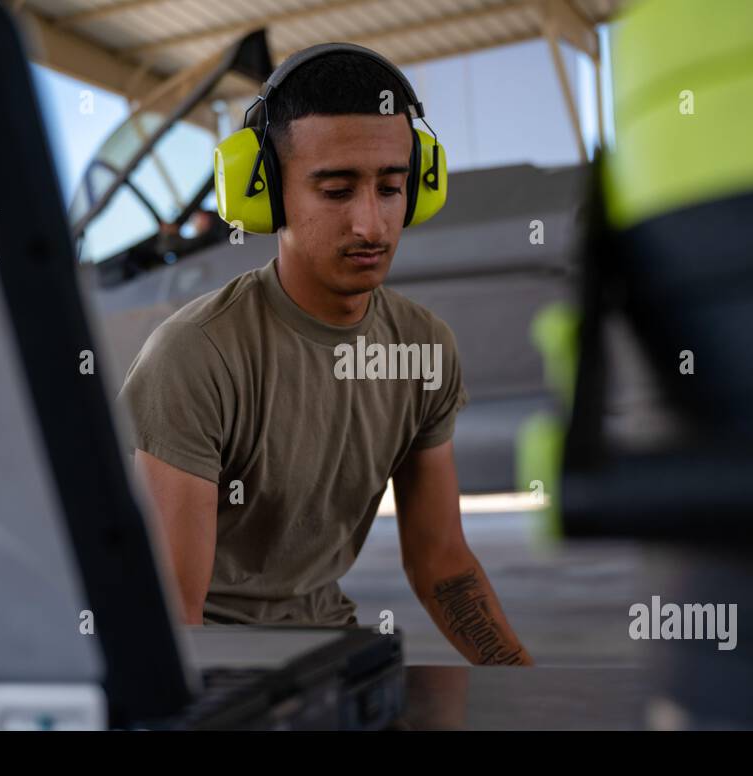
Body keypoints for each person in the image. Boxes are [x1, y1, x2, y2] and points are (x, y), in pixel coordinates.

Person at [118, 47, 532, 666]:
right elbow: (173, 619)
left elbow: (441, 560)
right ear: (267, 195)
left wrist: (528, 686)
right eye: (337, 190)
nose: (371, 224)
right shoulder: (195, 355)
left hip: (329, 649)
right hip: (218, 662)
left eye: (392, 188)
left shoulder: (424, 348)